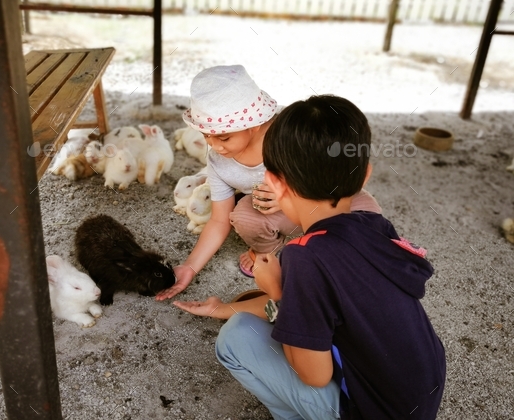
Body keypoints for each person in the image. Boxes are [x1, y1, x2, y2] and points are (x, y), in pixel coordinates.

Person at [173, 95, 446, 420]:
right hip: (419, 397)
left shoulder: (305, 259)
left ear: (273, 182)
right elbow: (311, 304)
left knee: (236, 338)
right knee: (248, 319)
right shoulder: (371, 224)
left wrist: (274, 292)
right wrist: (222, 308)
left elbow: (313, 375)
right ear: (364, 174)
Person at [156, 66, 380, 301]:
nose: (214, 145)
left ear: (253, 124)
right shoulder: (218, 161)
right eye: (205, 135)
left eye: (223, 137)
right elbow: (220, 219)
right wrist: (189, 267)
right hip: (280, 215)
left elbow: (332, 172)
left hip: (324, 202)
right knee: (243, 216)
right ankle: (267, 252)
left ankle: (328, 243)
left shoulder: (289, 134)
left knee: (369, 214)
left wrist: (289, 194)